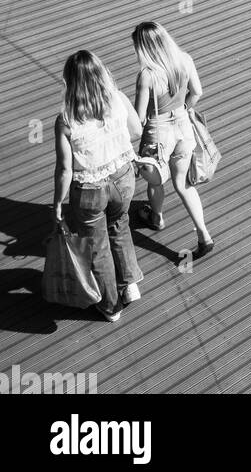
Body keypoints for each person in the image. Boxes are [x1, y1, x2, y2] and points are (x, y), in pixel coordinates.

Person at [53, 51, 144, 322]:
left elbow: (65, 169)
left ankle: (110, 306)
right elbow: (137, 131)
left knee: (97, 246)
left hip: (89, 188)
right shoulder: (117, 99)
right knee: (120, 225)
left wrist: (58, 203)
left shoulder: (66, 119)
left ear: (70, 80)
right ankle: (129, 284)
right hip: (123, 177)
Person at [132, 22, 214, 257]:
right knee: (183, 184)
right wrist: (183, 108)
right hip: (183, 126)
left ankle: (156, 218)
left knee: (156, 181)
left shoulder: (147, 75)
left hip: (158, 132)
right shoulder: (185, 59)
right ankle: (203, 235)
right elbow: (197, 91)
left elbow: (138, 120)